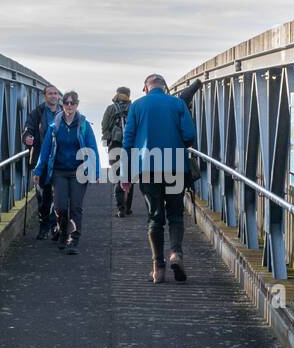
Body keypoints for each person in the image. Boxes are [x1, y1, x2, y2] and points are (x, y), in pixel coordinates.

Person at [121, 73, 197, 283]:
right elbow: (189, 136)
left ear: (145, 88)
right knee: (176, 214)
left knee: (155, 217)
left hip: (147, 168)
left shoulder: (137, 106)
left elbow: (127, 141)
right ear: (164, 87)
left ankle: (158, 267)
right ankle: (176, 254)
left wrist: (125, 173)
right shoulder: (178, 104)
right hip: (175, 166)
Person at [32, 90, 101, 255]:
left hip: (79, 171)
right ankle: (63, 231)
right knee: (60, 206)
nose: (69, 106)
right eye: (66, 103)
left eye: (72, 103)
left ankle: (73, 240)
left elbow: (93, 149)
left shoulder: (83, 125)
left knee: (76, 207)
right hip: (59, 171)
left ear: (77, 105)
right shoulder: (55, 125)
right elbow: (46, 150)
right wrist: (38, 170)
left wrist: (96, 171)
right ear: (62, 105)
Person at [23, 84, 62, 240]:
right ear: (44, 96)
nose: (53, 96)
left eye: (55, 93)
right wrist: (27, 138)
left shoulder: (64, 111)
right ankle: (43, 225)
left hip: (59, 162)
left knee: (57, 196)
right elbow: (28, 129)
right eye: (50, 93)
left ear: (58, 96)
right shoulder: (37, 113)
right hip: (41, 160)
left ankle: (54, 227)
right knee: (43, 197)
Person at [101, 86, 135, 216]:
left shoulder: (111, 108)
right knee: (130, 177)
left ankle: (120, 208)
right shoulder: (133, 108)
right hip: (131, 146)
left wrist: (108, 138)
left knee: (118, 176)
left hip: (115, 145)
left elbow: (104, 126)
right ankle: (128, 207)